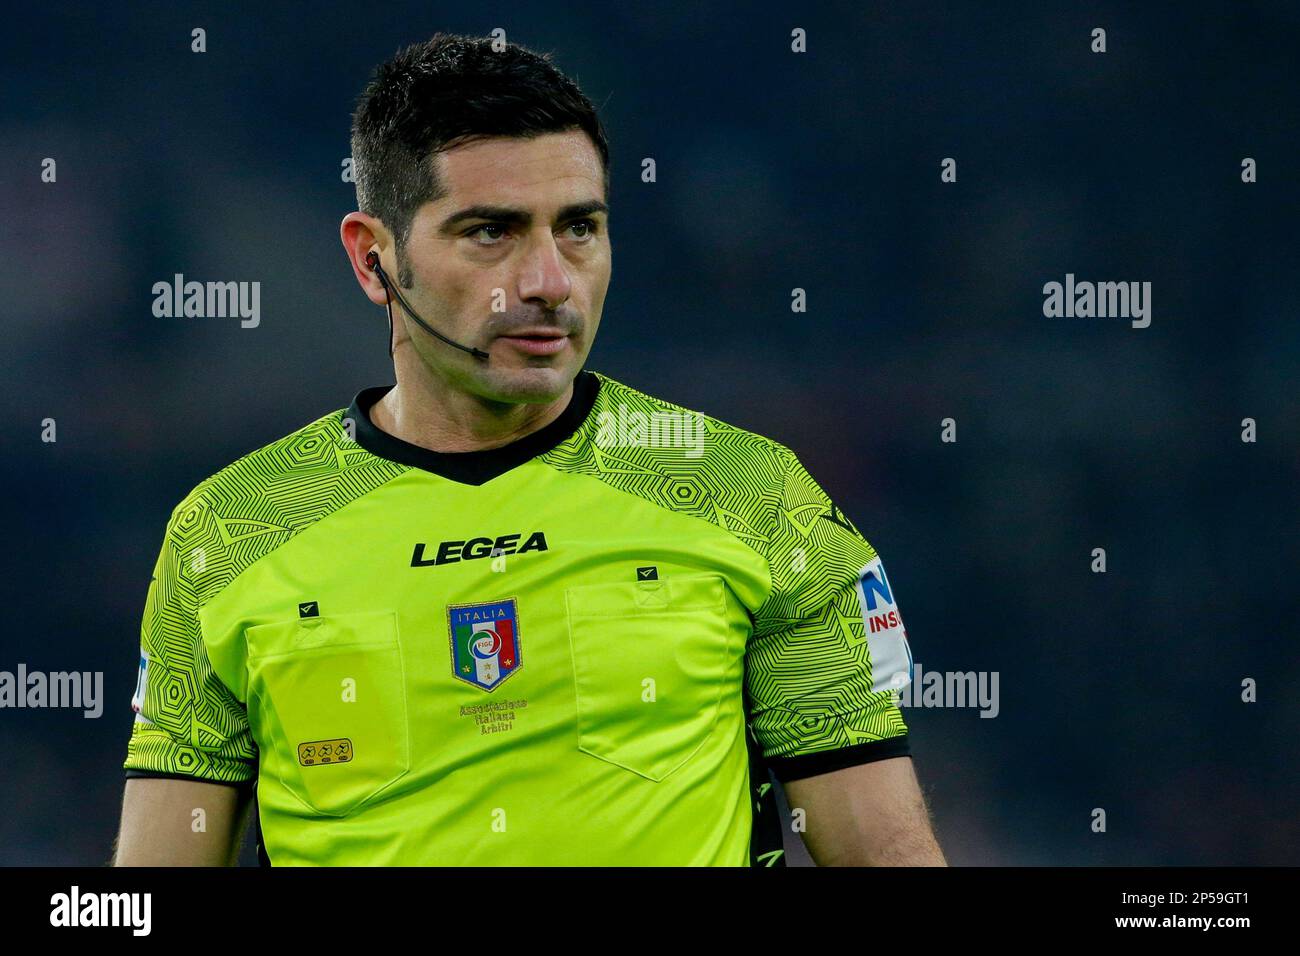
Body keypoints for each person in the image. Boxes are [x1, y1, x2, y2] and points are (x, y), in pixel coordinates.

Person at [113, 32, 945, 867]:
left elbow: (888, 856)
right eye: (491, 232)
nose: (549, 280)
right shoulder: (229, 533)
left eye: (579, 227)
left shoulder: (751, 497)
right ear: (374, 260)